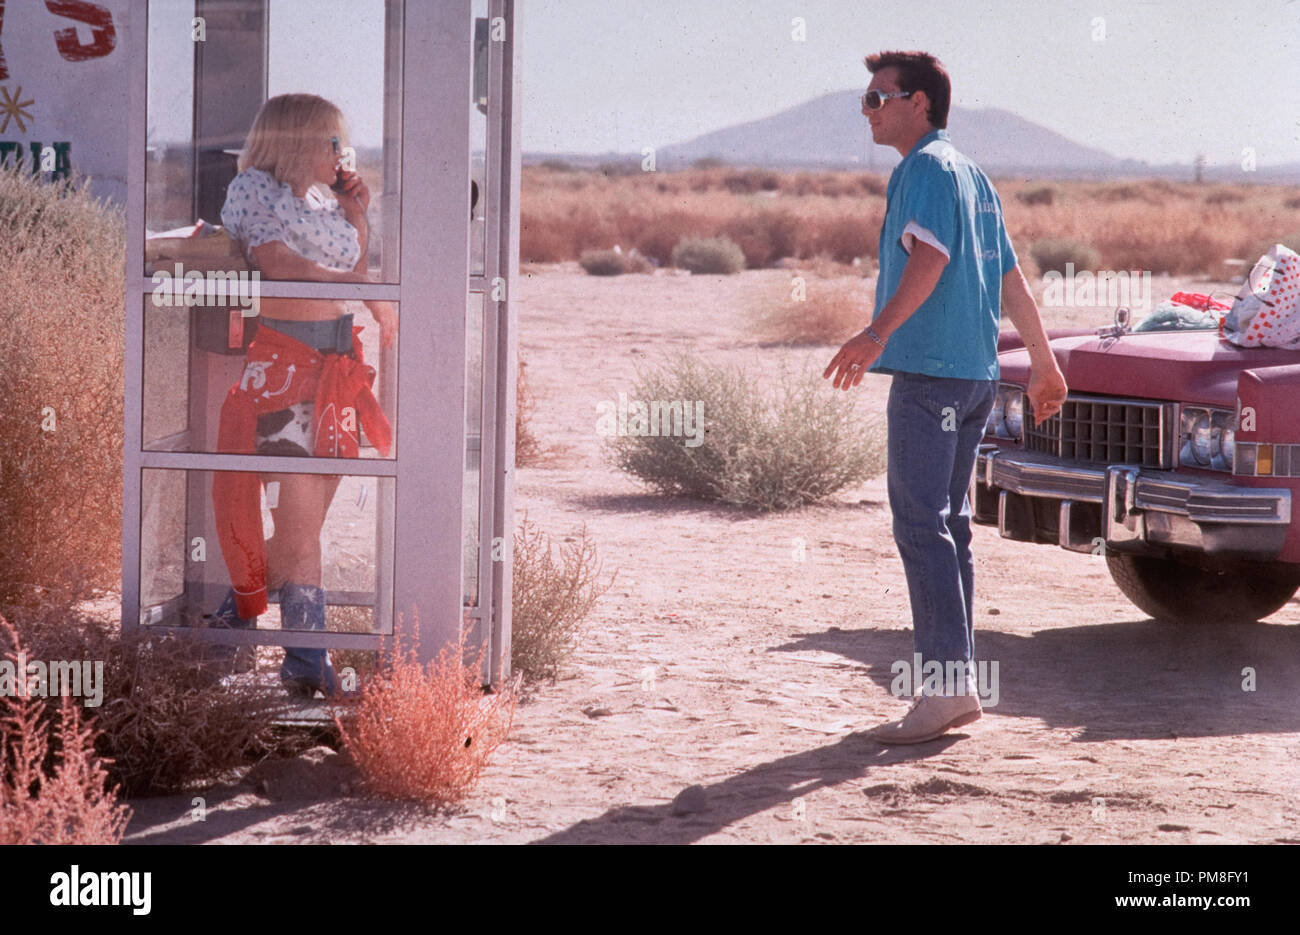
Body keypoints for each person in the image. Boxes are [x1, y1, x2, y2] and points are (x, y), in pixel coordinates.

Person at [824, 51, 1068, 744]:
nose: (868, 110)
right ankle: (954, 686)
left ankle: (944, 686)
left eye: (879, 98)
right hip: (974, 376)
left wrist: (875, 334)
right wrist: (1044, 365)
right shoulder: (972, 174)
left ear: (920, 103)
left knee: (922, 525)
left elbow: (930, 260)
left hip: (930, 374)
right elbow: (1009, 279)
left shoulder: (926, 169)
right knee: (949, 526)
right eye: (866, 99)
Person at [207, 93, 398, 698]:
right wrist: (358, 285)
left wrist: (356, 213)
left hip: (336, 366)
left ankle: (232, 623)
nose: (341, 154)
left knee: (305, 525)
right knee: (301, 528)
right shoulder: (253, 189)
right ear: (297, 143)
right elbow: (277, 262)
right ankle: (310, 664)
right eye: (331, 142)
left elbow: (356, 265)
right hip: (287, 366)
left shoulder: (319, 199)